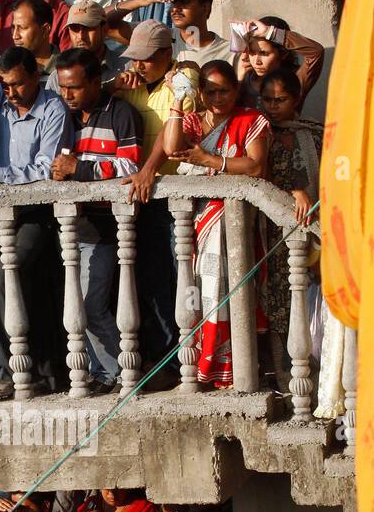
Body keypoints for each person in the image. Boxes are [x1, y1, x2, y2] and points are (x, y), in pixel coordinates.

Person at [0, 46, 70, 401]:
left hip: (38, 213)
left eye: (17, 85)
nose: (10, 92)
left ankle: (10, 371)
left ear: (35, 77)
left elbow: (44, 169)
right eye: (5, 85)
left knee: (5, 278)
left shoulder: (53, 108)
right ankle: (17, 370)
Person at [164, 59, 271, 388]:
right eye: (210, 91)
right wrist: (178, 100)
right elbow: (171, 148)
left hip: (236, 223)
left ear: (236, 90)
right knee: (202, 290)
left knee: (232, 290)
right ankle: (208, 366)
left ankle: (236, 368)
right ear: (201, 92)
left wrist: (211, 160)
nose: (218, 97)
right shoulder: (195, 123)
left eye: (225, 90)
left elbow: (254, 167)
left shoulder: (251, 120)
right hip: (199, 221)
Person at [52, 48, 143, 392]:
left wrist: (81, 170)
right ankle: (102, 371)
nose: (67, 94)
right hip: (73, 227)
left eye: (74, 87)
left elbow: (130, 168)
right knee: (76, 307)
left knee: (91, 304)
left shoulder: (121, 113)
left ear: (95, 81)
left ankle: (118, 371)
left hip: (108, 228)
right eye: (62, 87)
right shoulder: (64, 118)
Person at [114, 21, 182, 380]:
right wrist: (114, 84)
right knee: (149, 281)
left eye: (146, 59)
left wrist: (148, 169)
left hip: (175, 198)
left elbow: (173, 131)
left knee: (178, 280)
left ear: (167, 55)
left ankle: (178, 360)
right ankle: (160, 358)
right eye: (135, 59)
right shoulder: (132, 87)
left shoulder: (183, 79)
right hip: (141, 201)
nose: (139, 66)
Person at [260, 66, 323, 391]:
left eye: (280, 99)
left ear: (296, 99)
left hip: (313, 234)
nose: (273, 106)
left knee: (313, 302)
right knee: (276, 304)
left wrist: (310, 195)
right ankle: (284, 378)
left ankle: (318, 376)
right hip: (269, 235)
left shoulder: (314, 133)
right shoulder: (259, 132)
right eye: (267, 99)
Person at [237, 16, 324, 113]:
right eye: (252, 52)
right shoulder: (245, 78)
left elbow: (316, 52)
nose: (257, 61)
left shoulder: (294, 80)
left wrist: (270, 33)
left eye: (264, 53)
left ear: (283, 54)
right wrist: (239, 80)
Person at [46, 0, 123, 92]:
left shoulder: (127, 66)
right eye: (75, 29)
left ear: (104, 30)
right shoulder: (57, 77)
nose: (81, 36)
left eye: (88, 28)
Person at [169, 0, 233, 68]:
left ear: (205, 8)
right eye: (173, 2)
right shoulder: (162, 40)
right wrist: (140, 2)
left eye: (184, 1)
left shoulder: (229, 53)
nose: (175, 9)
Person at [10, 0, 58, 82]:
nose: (15, 36)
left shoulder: (65, 71)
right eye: (13, 27)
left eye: (22, 28)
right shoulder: (7, 69)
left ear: (45, 29)